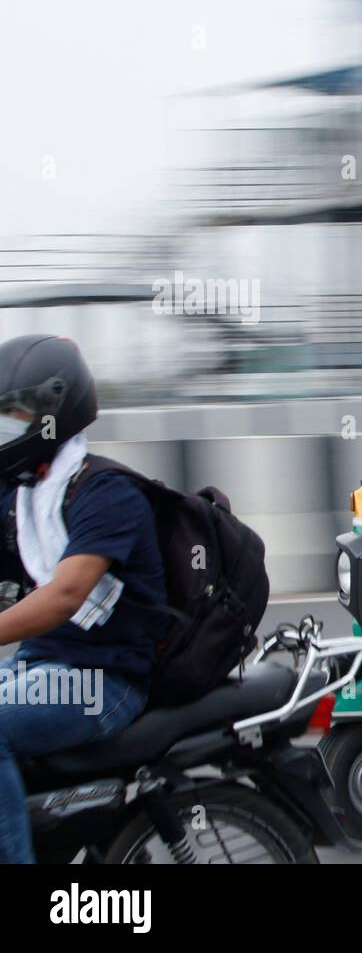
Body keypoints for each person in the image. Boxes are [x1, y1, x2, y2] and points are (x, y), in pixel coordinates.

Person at [0, 335, 166, 864]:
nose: (5, 430)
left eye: (14, 416)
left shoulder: (105, 492)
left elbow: (65, 595)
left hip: (105, 680)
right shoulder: (24, 498)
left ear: (53, 415)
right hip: (43, 664)